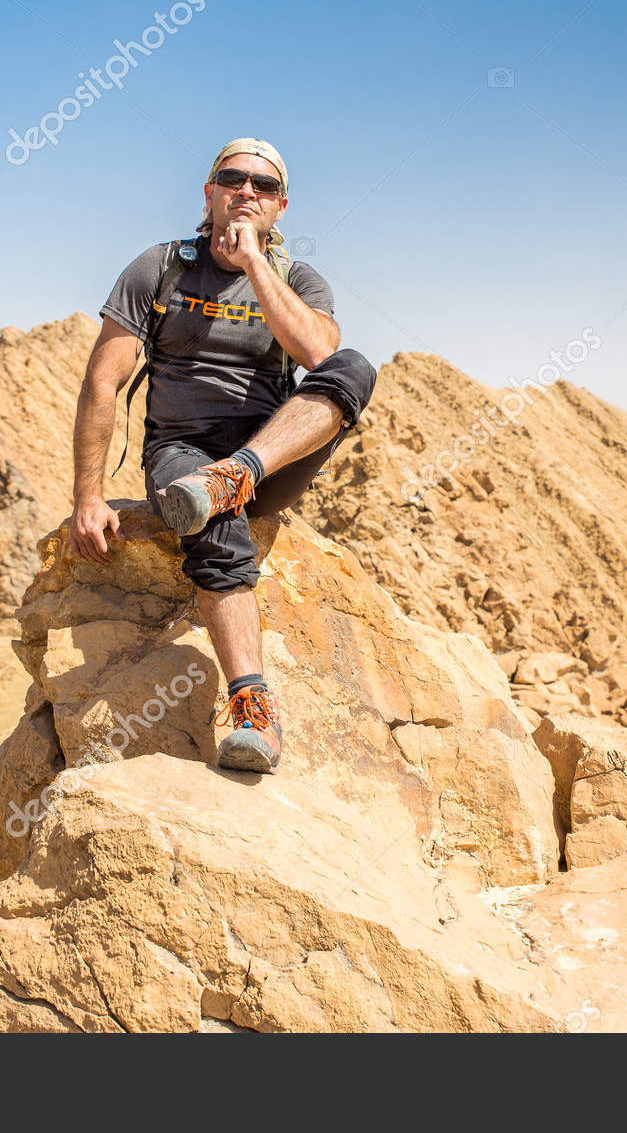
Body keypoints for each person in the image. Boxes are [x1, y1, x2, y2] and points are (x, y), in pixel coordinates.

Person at [67, 137, 377, 776]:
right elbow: (104, 381)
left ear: (280, 206)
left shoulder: (296, 279)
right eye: (232, 180)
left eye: (263, 187)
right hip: (180, 453)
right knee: (210, 523)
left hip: (270, 456)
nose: (246, 193)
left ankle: (236, 476)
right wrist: (88, 497)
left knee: (353, 369)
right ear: (207, 193)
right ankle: (251, 710)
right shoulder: (159, 269)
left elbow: (320, 356)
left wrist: (257, 266)